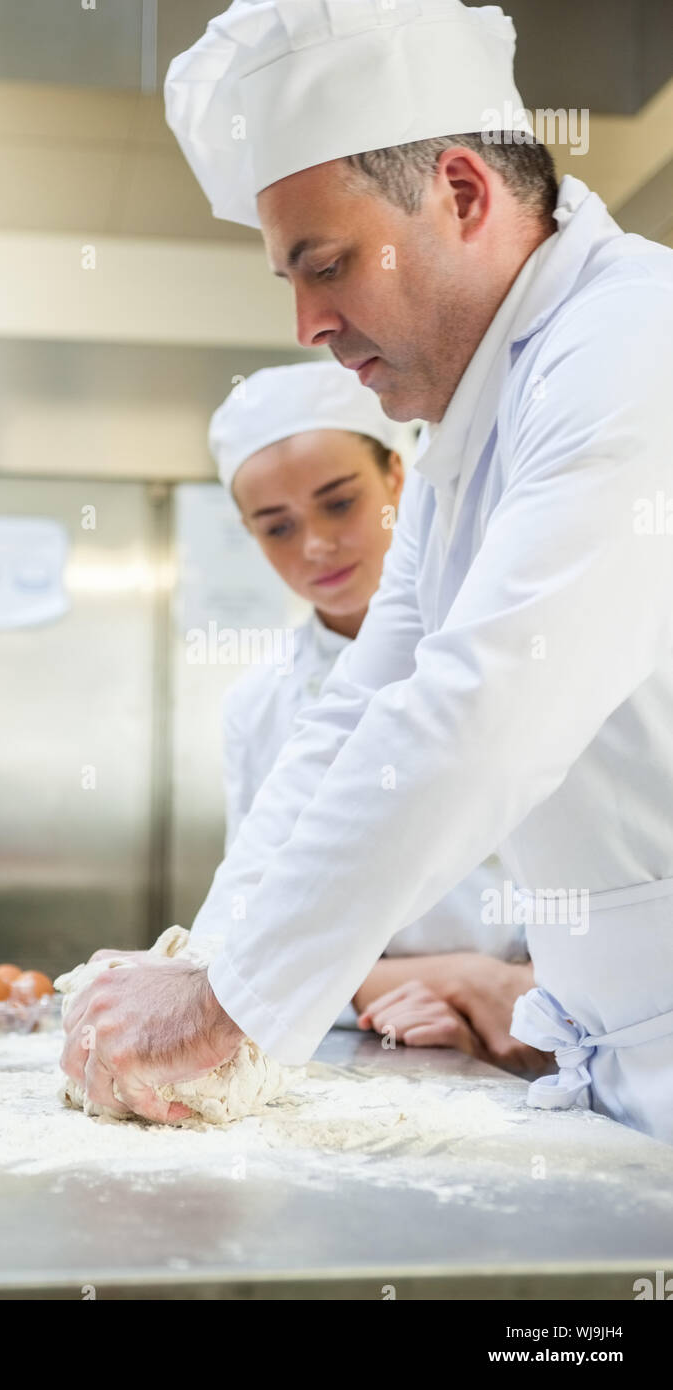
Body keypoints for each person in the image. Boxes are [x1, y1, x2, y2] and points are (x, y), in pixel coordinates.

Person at [61, 0, 673, 1141]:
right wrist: (205, 960)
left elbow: (481, 711)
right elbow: (355, 719)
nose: (307, 324)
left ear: (459, 193)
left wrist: (226, 1009)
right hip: (621, 1068)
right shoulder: (460, 444)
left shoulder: (633, 352)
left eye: (326, 264)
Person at [212, 361, 542, 1072]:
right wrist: (444, 984)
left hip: (560, 1016)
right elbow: (262, 920)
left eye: (339, 504)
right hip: (388, 1031)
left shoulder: (511, 635)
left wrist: (522, 987)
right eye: (277, 527)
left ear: (398, 477)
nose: (316, 547)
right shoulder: (258, 706)